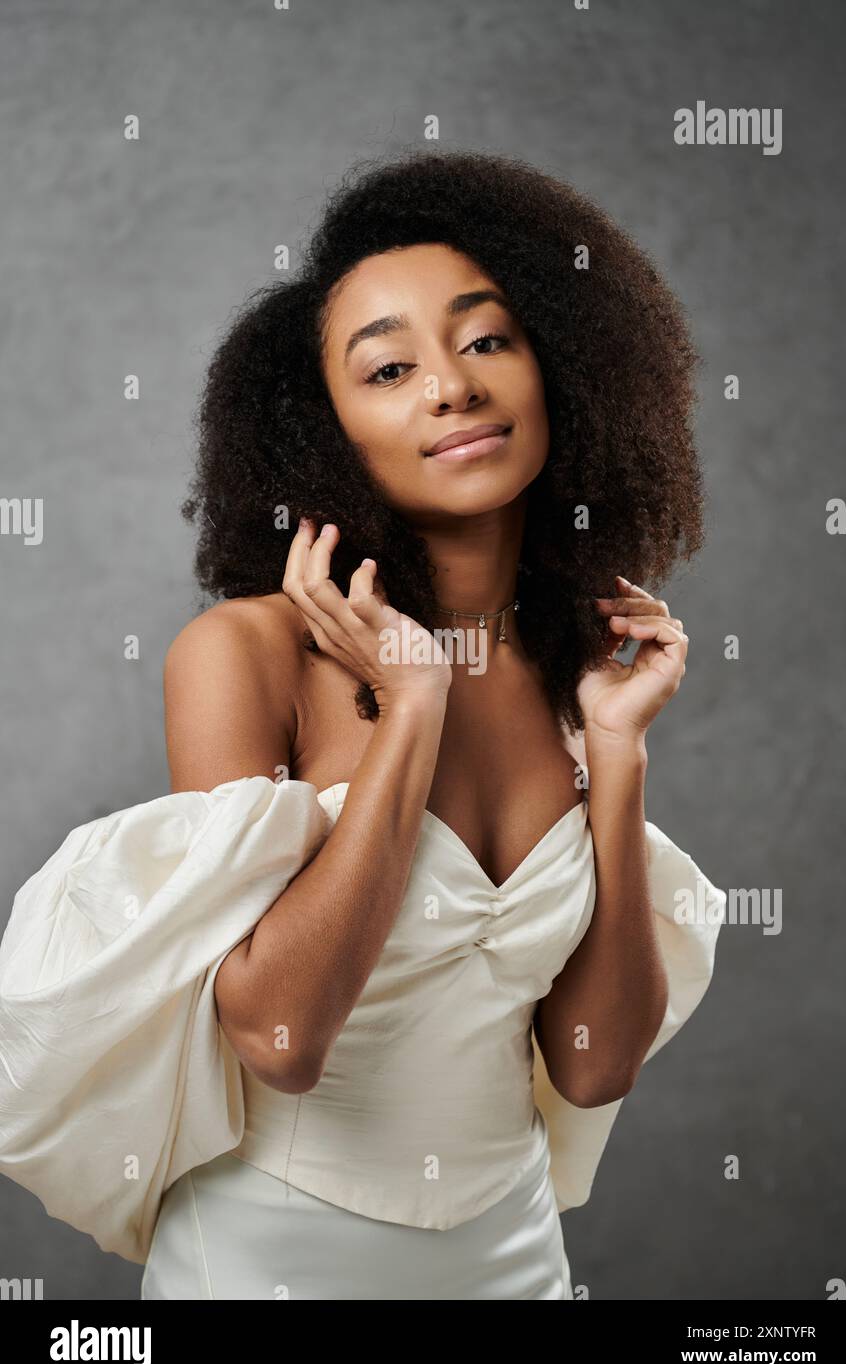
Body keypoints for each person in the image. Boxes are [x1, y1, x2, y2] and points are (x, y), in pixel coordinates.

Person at [0, 149, 725, 1300]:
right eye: (388, 368)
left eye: (486, 340)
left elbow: (589, 1071)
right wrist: (411, 712)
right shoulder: (245, 654)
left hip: (515, 1258)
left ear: (562, 367)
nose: (450, 388)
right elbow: (279, 1038)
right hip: (272, 1263)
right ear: (325, 430)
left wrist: (618, 751)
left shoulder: (575, 666)